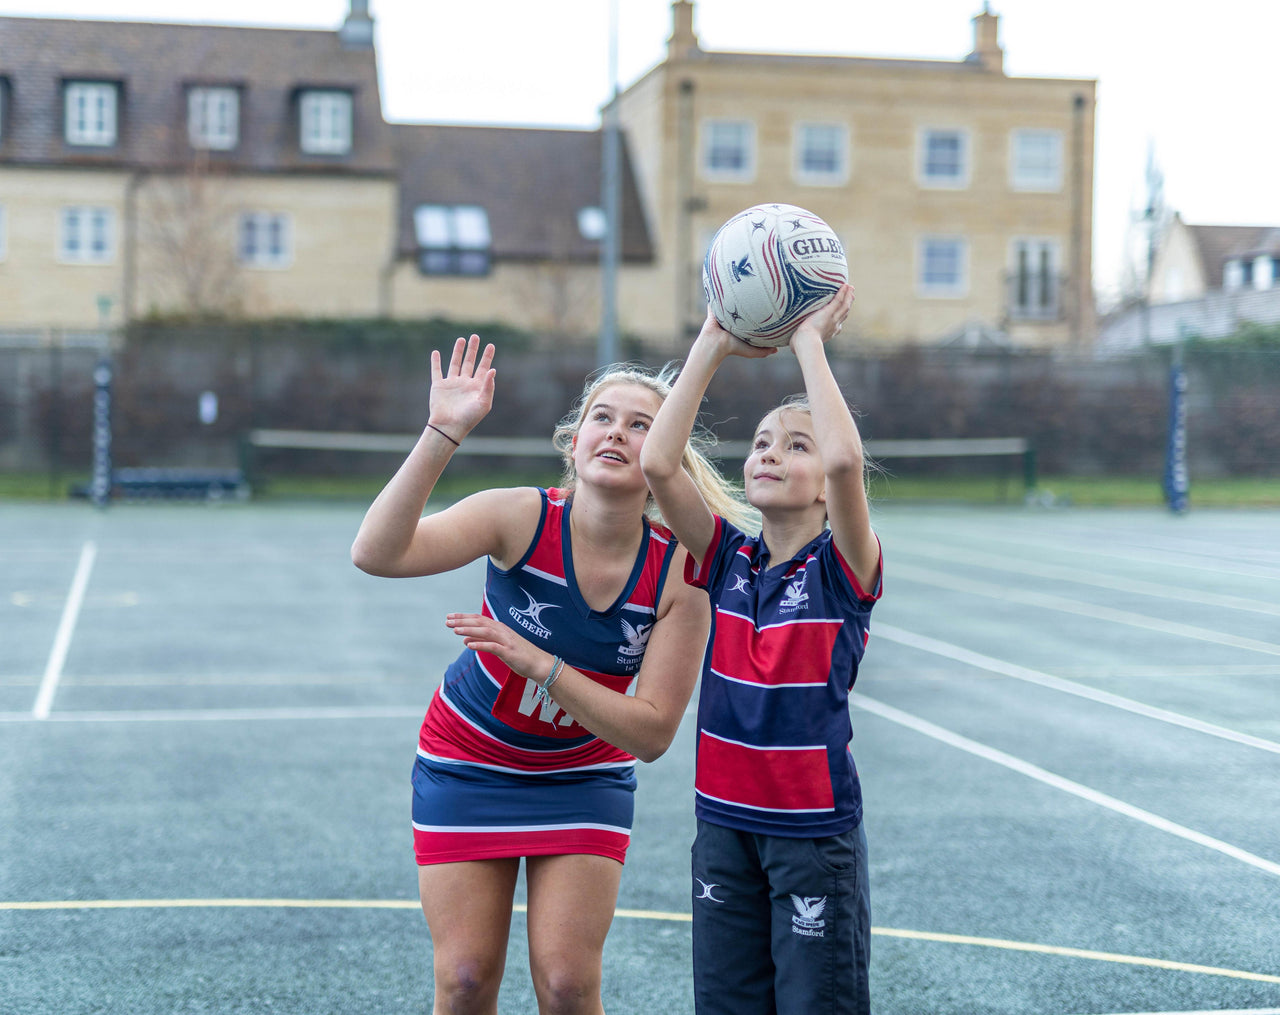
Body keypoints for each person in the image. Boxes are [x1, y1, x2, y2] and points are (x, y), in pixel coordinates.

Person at [350, 334, 741, 1015]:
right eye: (602, 417)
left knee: (567, 985)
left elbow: (652, 734)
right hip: (469, 762)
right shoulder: (520, 517)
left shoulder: (681, 571)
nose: (616, 432)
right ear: (573, 440)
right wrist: (443, 431)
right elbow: (376, 554)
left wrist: (540, 663)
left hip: (583, 776)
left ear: (665, 454)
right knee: (465, 978)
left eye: (640, 425)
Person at [639, 284, 882, 1015]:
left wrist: (807, 340)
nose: (771, 452)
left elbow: (848, 463)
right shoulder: (726, 558)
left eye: (796, 445)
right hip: (722, 826)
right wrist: (712, 341)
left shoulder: (841, 570)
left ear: (824, 488)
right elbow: (659, 464)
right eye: (761, 442)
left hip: (810, 834)